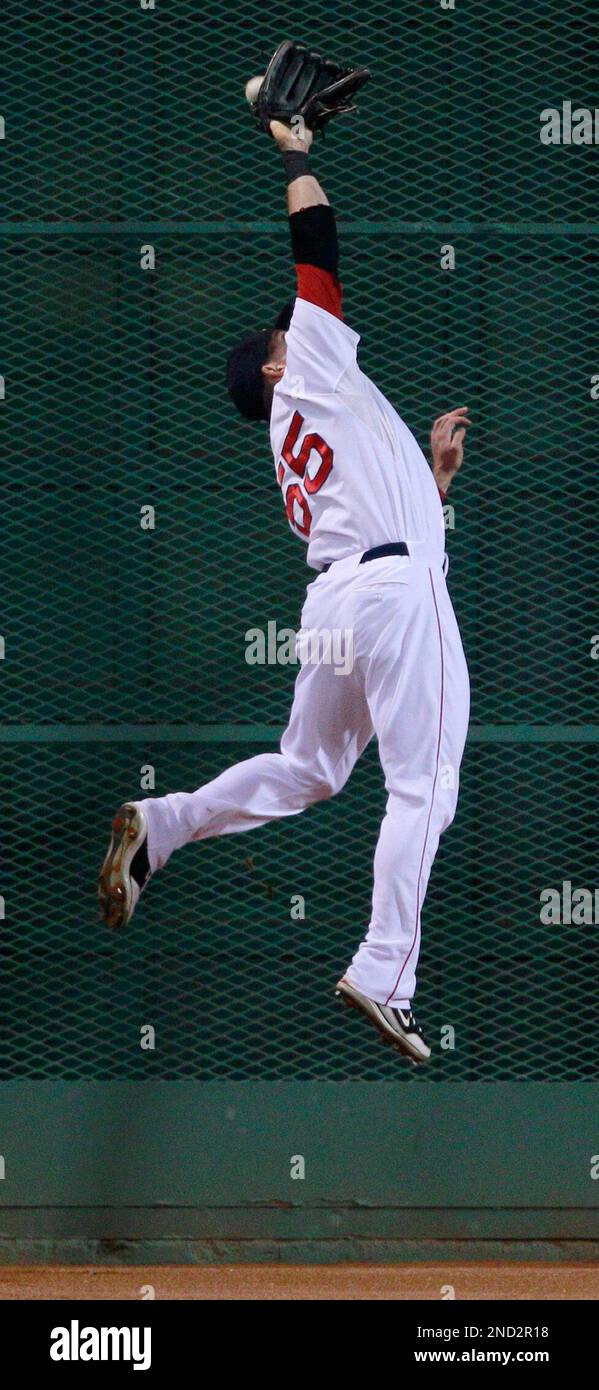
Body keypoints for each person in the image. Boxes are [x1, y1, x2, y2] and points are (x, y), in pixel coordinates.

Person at [98, 118, 471, 1065]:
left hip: (337, 604)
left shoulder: (302, 420)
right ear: (276, 364)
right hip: (390, 592)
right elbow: (316, 249)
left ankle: (169, 823)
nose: (300, 323)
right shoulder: (306, 362)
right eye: (286, 330)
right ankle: (387, 969)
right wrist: (295, 149)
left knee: (310, 771)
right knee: (422, 787)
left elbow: (366, 507)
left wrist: (427, 482)